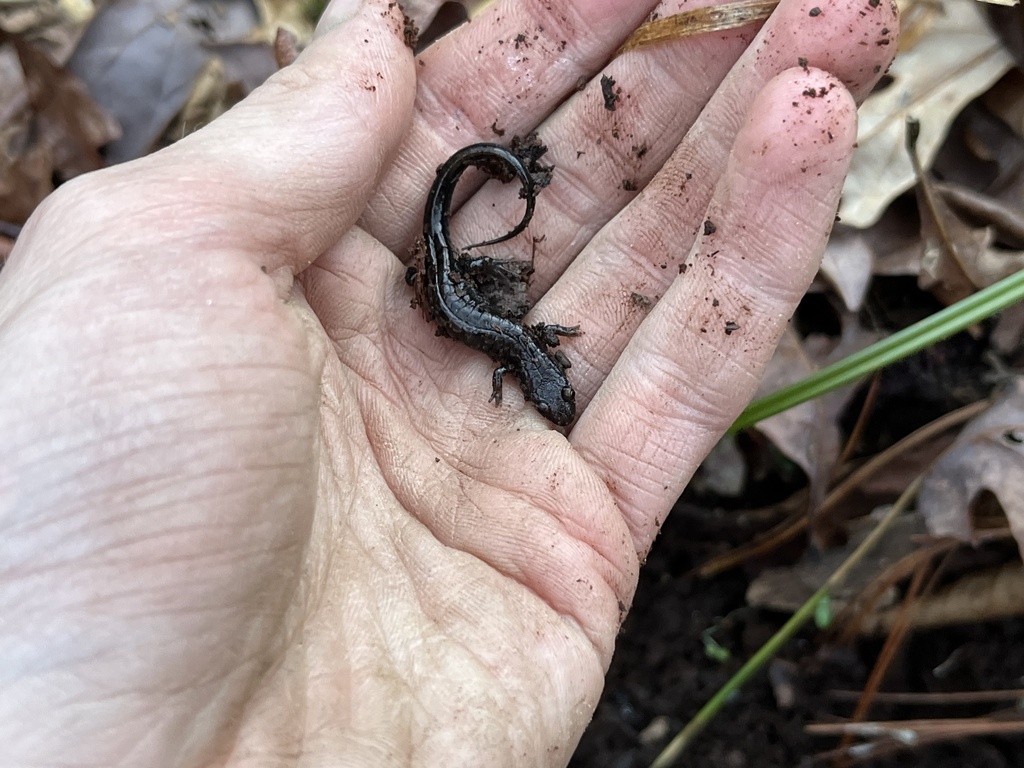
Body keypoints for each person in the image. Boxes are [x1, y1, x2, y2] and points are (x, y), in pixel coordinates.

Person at [0, 0, 897, 764]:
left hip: (447, 285)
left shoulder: (520, 353)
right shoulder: (517, 357)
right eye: (549, 389)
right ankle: (484, 170)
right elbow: (516, 351)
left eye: (548, 391)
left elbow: (519, 347)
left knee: (468, 277)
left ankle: (486, 171)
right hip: (442, 285)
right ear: (538, 375)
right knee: (461, 265)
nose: (548, 394)